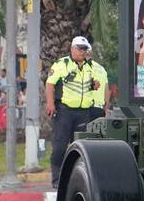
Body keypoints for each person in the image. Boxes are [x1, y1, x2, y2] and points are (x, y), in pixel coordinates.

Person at [46, 36, 108, 185]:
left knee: (81, 147)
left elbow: (96, 84)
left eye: (85, 49)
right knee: (60, 146)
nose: (83, 52)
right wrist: (50, 104)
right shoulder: (62, 64)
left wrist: (95, 85)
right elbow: (49, 84)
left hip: (83, 112)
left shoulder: (90, 66)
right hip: (65, 111)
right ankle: (57, 179)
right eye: (80, 48)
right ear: (72, 49)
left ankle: (77, 179)